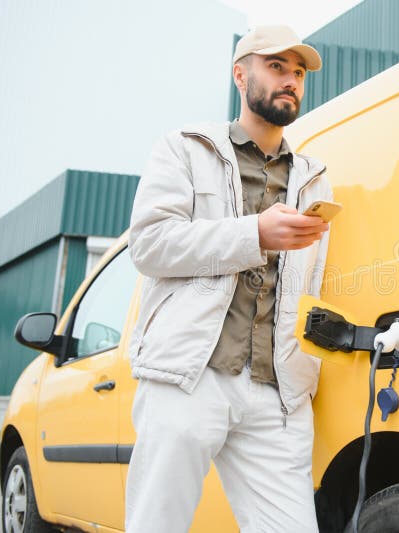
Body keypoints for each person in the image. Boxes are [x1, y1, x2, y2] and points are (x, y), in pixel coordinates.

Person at [124, 25, 333, 533]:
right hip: (190, 376)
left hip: (277, 390)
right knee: (158, 524)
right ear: (241, 75)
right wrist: (254, 234)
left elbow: (314, 281)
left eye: (299, 72)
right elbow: (149, 245)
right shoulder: (184, 148)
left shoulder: (314, 176)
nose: (291, 81)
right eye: (277, 67)